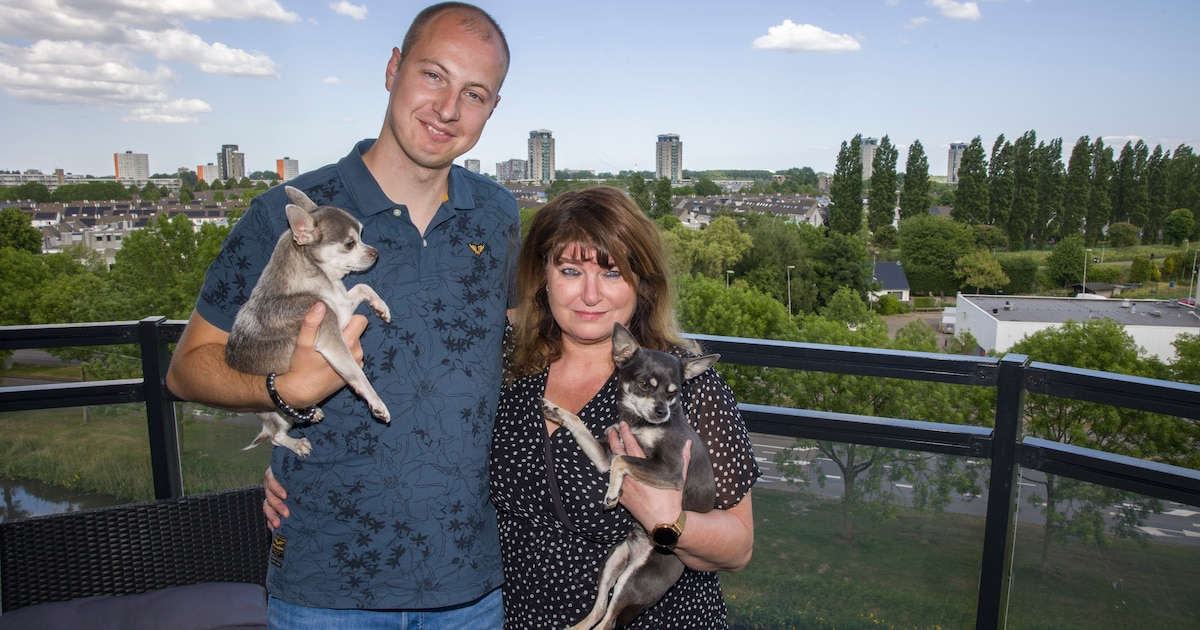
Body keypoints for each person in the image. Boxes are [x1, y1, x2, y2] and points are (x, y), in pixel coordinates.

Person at [165, 3, 517, 628]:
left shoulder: (499, 216)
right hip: (324, 587)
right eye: (433, 75)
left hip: (473, 588)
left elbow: (543, 345)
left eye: (475, 93)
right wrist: (282, 393)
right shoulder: (286, 216)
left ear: (492, 109)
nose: (448, 109)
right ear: (393, 68)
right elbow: (187, 369)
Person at [492, 186, 761, 628]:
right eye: (570, 271)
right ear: (543, 275)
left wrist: (669, 522)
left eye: (612, 273)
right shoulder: (509, 361)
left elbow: (739, 547)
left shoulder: (684, 385)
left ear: (643, 282)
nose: (591, 295)